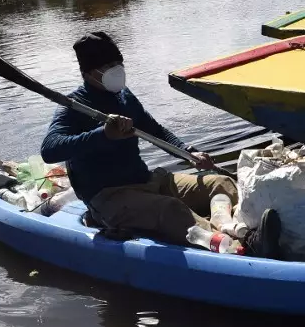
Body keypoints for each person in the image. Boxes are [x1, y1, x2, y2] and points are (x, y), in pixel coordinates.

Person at [40, 32, 280, 257]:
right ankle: (243, 245)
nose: (115, 71)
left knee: (220, 183)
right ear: (88, 73)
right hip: (109, 198)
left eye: (117, 64)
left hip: (146, 180)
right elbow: (50, 149)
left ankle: (230, 225)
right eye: (106, 67)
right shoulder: (74, 106)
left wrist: (189, 152)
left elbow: (155, 130)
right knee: (171, 210)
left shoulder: (124, 97)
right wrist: (103, 134)